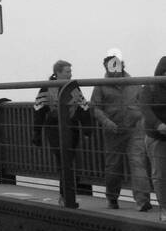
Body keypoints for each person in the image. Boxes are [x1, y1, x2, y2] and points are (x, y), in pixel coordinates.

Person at [89, 50, 147, 209]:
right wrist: (107, 123)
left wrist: (141, 118)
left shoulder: (134, 83)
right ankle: (112, 198)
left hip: (135, 129)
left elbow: (144, 103)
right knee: (113, 166)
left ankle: (142, 201)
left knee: (138, 163)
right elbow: (95, 108)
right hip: (112, 131)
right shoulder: (100, 86)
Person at [33, 59, 91, 205]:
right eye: (67, 72)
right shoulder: (46, 89)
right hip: (54, 129)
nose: (70, 75)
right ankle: (66, 196)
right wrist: (37, 134)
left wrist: (87, 129)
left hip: (72, 129)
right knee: (64, 160)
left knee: (71, 162)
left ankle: (65, 195)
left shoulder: (73, 88)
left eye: (70, 71)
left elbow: (83, 108)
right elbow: (39, 112)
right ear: (57, 73)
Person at [139, 55, 166, 221]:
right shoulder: (149, 87)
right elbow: (145, 108)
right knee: (160, 175)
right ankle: (164, 209)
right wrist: (158, 125)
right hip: (157, 136)